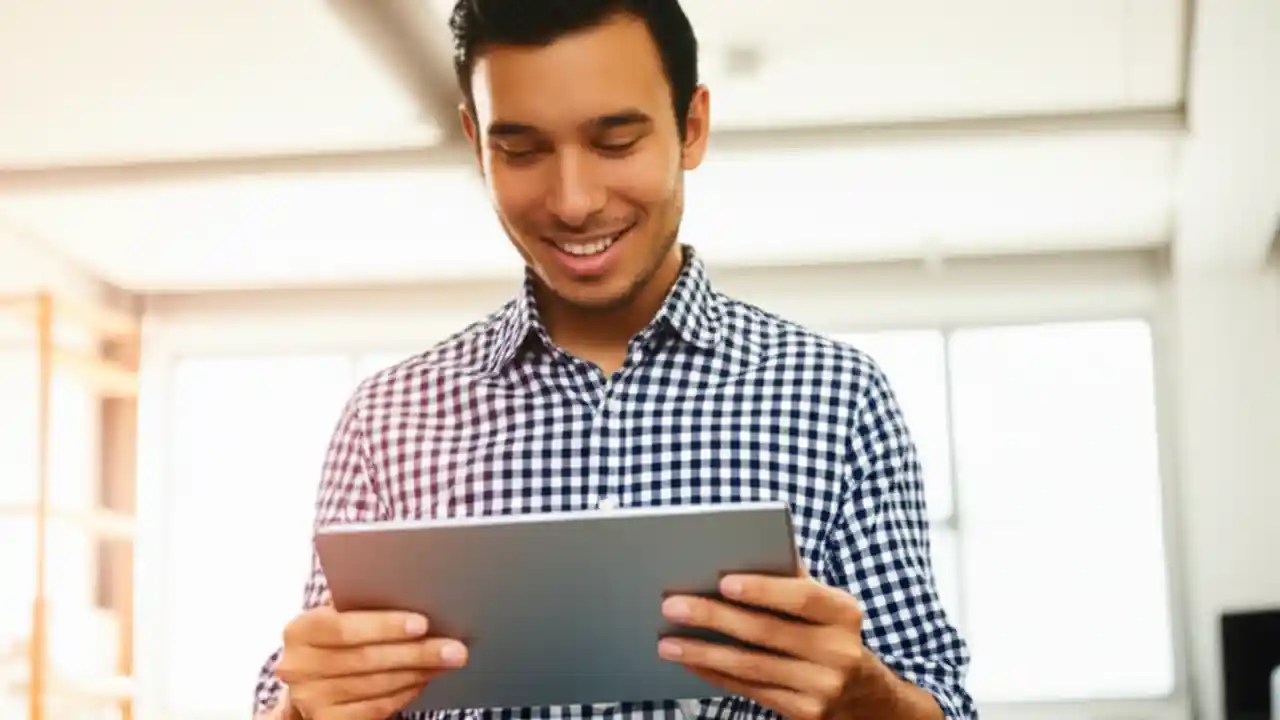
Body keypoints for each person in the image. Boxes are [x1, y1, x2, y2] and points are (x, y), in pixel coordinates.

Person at [252, 1, 975, 718]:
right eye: (522, 149)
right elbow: (303, 693)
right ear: (476, 142)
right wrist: (304, 710)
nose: (573, 202)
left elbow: (940, 702)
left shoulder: (837, 399)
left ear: (691, 127)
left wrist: (857, 696)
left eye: (617, 141)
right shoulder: (387, 419)